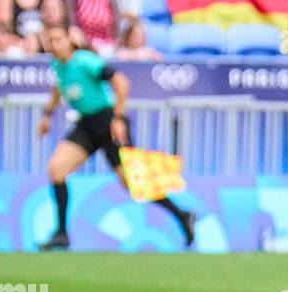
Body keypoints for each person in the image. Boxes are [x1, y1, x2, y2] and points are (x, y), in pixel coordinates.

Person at [35, 25, 194, 251]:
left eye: (58, 39)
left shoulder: (85, 61)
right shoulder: (58, 66)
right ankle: (61, 233)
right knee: (56, 170)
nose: (54, 44)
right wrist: (47, 115)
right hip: (87, 125)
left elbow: (121, 82)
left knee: (132, 184)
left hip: (108, 122)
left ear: (69, 41)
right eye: (50, 40)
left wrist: (118, 118)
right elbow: (57, 90)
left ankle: (182, 215)